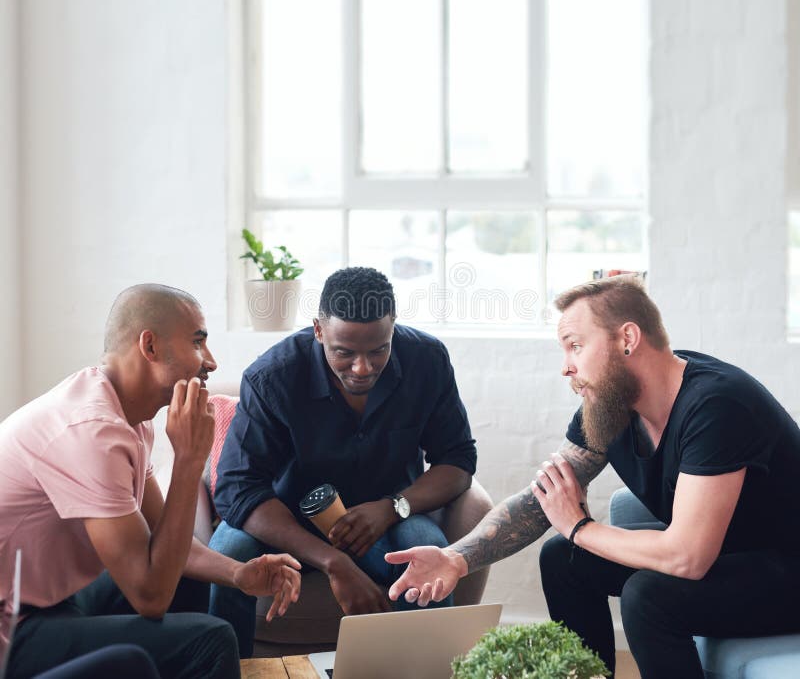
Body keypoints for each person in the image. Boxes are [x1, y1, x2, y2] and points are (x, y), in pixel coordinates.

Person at [386, 275, 800, 679]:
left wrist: (580, 527)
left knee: (647, 596)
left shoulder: (716, 405)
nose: (567, 367)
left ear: (627, 339)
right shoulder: (612, 405)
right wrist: (456, 558)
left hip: (786, 572)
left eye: (576, 347)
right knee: (563, 558)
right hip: (729, 559)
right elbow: (540, 502)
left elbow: (687, 558)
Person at [0, 284, 301, 679]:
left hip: (47, 602)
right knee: (210, 639)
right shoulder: (94, 432)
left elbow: (165, 536)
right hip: (12, 631)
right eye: (198, 342)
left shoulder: (127, 418)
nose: (210, 361)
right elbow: (150, 597)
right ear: (150, 346)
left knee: (186, 578)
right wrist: (189, 461)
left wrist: (237, 574)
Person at [210, 267, 487, 657]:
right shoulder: (272, 377)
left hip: (389, 520)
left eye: (379, 350)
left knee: (426, 546)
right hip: (287, 526)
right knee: (230, 546)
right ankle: (231, 669)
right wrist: (334, 563)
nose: (363, 368)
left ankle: (422, 668)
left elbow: (458, 460)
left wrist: (393, 508)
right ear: (319, 330)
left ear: (393, 328)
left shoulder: (427, 360)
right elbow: (238, 488)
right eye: (344, 352)